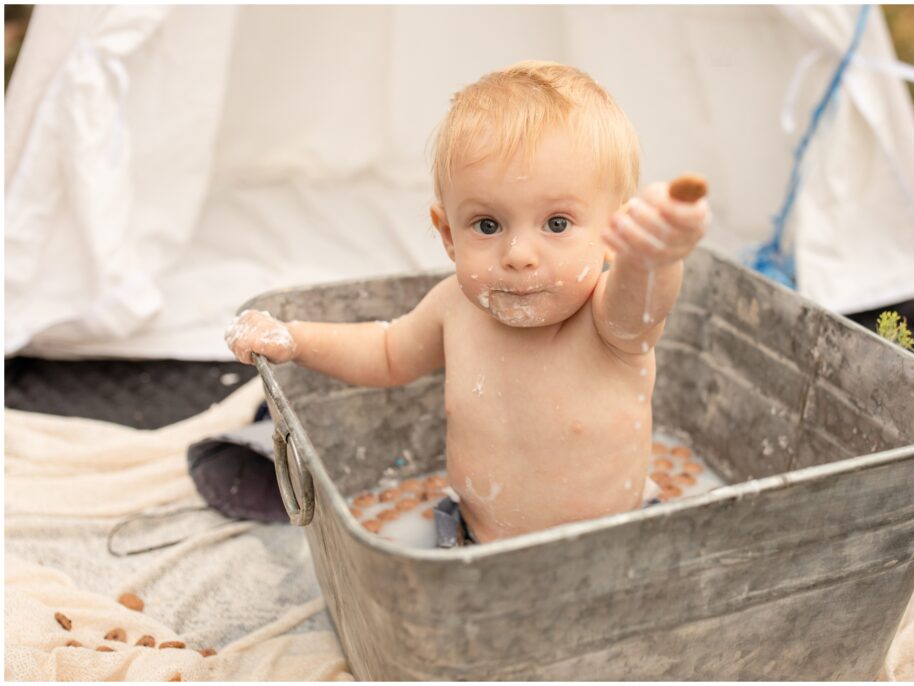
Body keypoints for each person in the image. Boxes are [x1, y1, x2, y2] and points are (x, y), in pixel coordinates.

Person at [225, 60, 708, 545]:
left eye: (557, 223)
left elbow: (644, 300)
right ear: (448, 235)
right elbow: (388, 352)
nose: (519, 256)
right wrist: (296, 338)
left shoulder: (608, 320)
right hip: (473, 543)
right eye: (488, 225)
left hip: (613, 545)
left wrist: (654, 255)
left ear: (613, 235)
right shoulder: (455, 306)